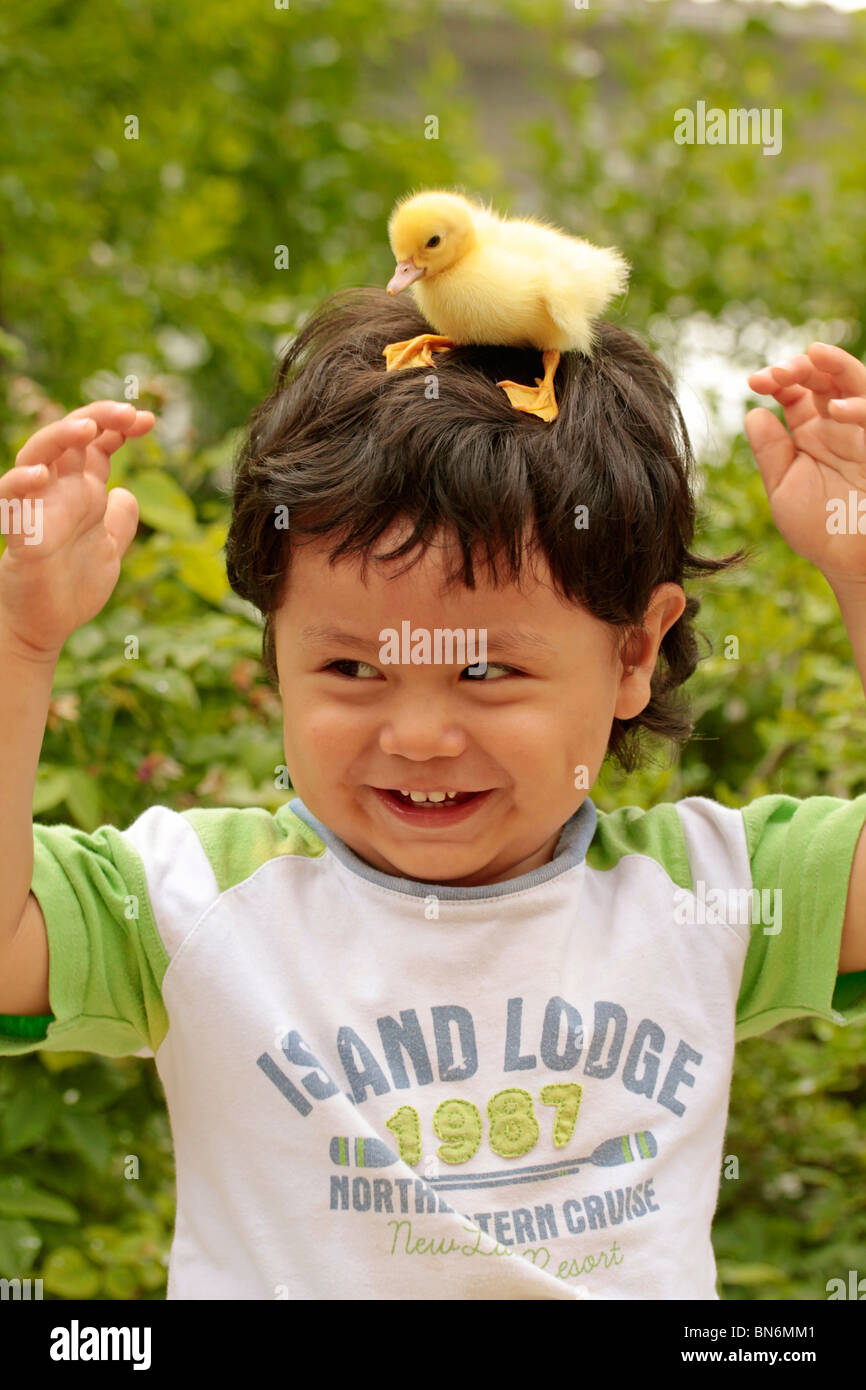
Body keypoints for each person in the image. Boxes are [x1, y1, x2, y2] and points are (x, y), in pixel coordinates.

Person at [1, 287, 864, 1301]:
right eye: (351, 671)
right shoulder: (194, 903)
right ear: (275, 651)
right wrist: (21, 646)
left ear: (632, 651)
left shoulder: (709, 893)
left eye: (486, 673)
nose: (415, 737)